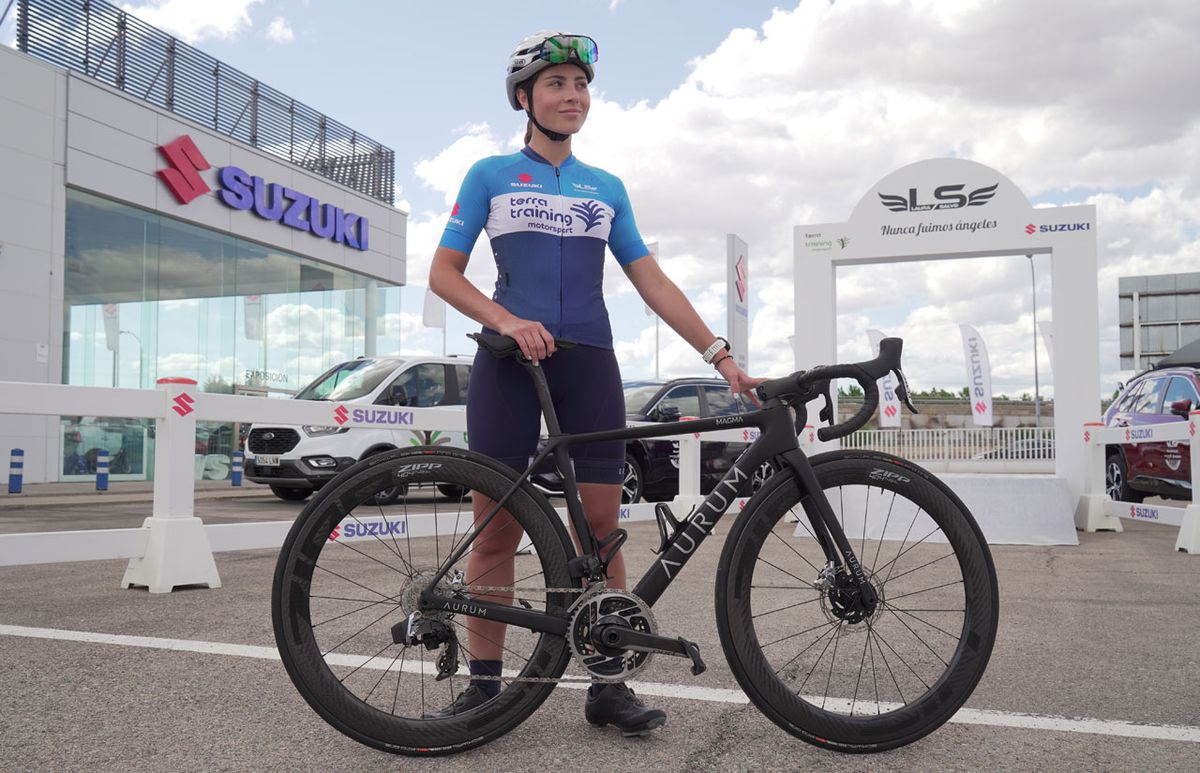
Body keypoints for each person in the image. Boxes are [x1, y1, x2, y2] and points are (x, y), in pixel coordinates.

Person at [427, 30, 762, 737]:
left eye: (580, 85)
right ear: (525, 97)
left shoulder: (604, 187)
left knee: (602, 532)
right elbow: (444, 274)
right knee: (495, 532)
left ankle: (607, 685)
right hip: (508, 365)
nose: (572, 96)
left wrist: (719, 353)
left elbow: (652, 280)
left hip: (588, 363)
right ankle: (486, 687)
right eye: (556, 84)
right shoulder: (490, 174)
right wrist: (507, 319)